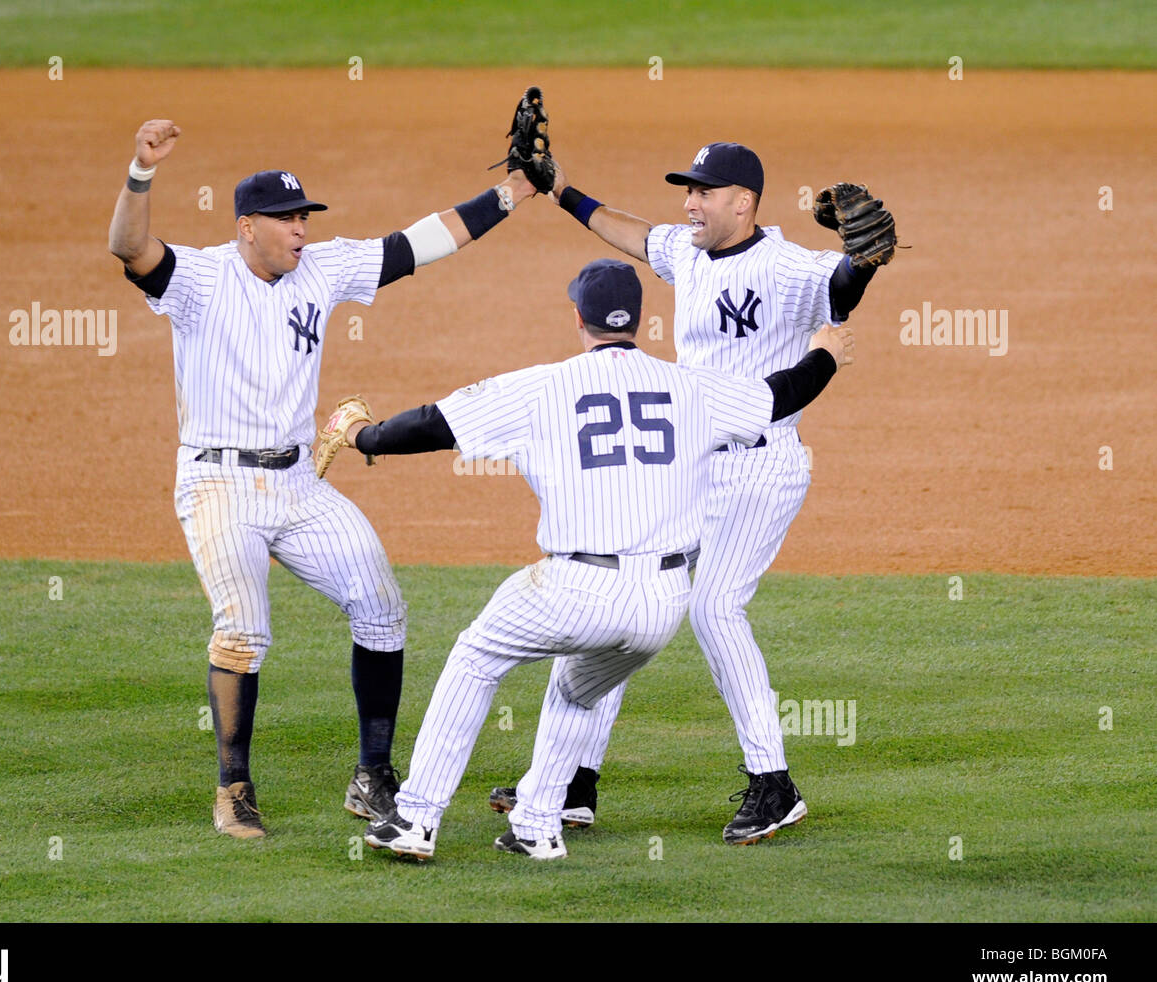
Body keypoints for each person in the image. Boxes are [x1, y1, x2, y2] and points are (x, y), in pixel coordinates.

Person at [315, 259, 853, 860]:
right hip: (662, 605)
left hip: (574, 586)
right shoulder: (693, 386)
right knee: (577, 690)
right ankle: (540, 823)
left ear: (578, 317)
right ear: (640, 321)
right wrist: (826, 351)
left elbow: (432, 425)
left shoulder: (543, 384)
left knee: (475, 657)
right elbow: (782, 395)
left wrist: (363, 434)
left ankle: (415, 819)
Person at [107, 118, 539, 838]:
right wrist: (142, 171)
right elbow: (128, 247)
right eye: (287, 220)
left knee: (381, 606)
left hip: (300, 484)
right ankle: (233, 787)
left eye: (305, 216)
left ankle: (373, 776)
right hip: (219, 485)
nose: (301, 230)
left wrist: (513, 192)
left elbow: (417, 245)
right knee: (243, 632)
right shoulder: (199, 279)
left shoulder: (323, 267)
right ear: (248, 227)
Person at [490, 141, 890, 844]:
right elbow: (629, 231)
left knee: (712, 607)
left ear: (745, 203)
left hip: (761, 468)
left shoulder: (787, 264)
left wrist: (862, 262)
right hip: (693, 466)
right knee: (620, 588)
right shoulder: (688, 251)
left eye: (705, 192)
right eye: (688, 190)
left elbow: (843, 287)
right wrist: (560, 190)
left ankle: (775, 783)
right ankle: (574, 780)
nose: (690, 202)